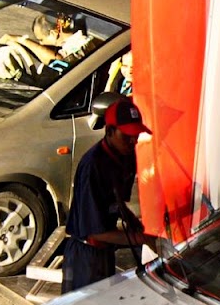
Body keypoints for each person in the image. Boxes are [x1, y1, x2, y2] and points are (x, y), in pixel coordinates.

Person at [62, 98, 153, 292]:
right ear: (110, 131)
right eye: (127, 135)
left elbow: (118, 202)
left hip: (106, 250)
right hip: (85, 254)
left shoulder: (127, 156)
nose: (133, 141)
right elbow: (95, 231)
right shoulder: (93, 166)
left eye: (136, 135)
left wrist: (135, 224)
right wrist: (143, 239)